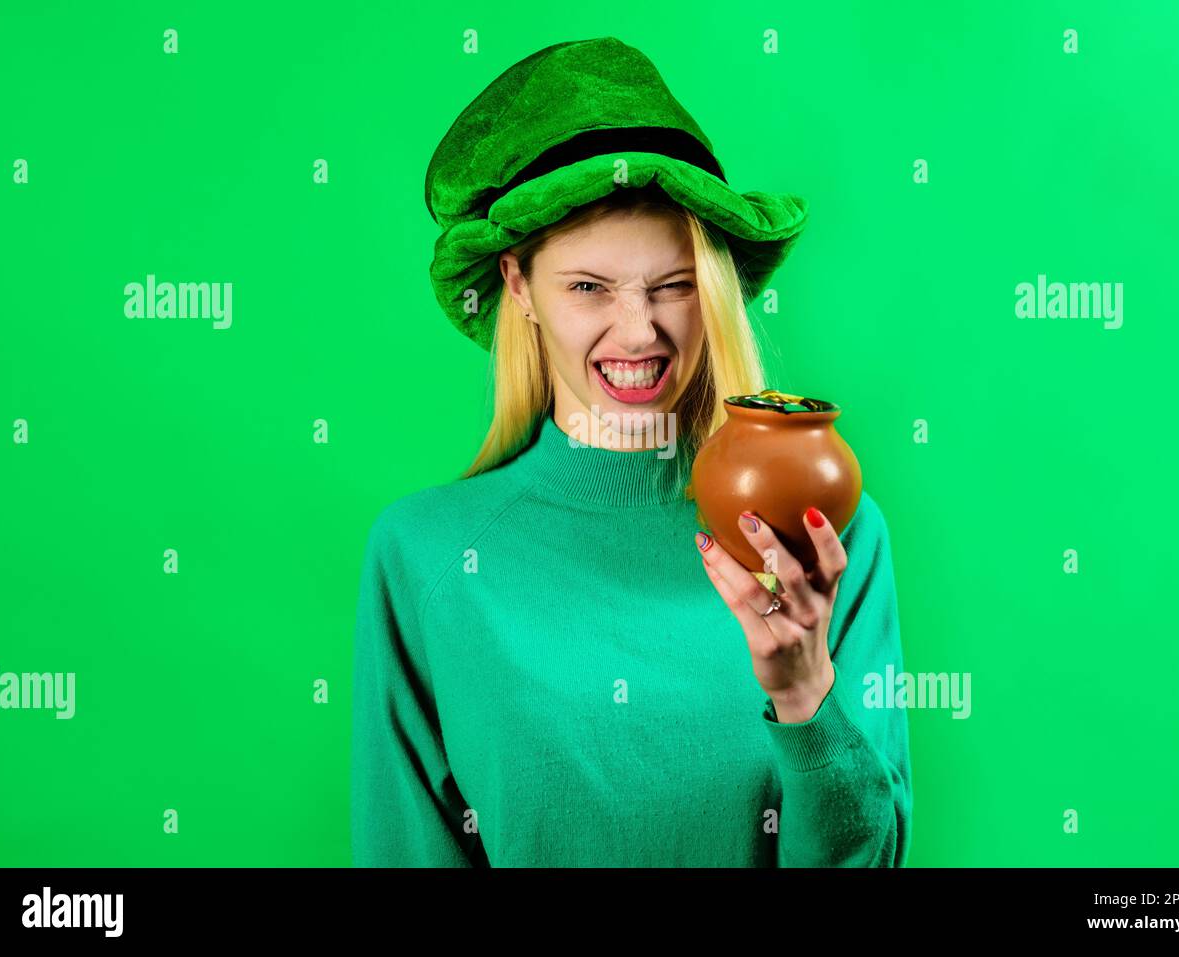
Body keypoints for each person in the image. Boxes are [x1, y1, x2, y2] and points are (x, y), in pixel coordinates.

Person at [351, 36, 911, 867]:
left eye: (673, 284)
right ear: (517, 285)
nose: (638, 331)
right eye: (589, 287)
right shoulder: (425, 558)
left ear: (714, 289)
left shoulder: (825, 538)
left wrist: (804, 696)